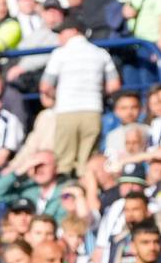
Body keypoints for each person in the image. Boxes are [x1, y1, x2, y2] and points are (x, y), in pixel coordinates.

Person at [39, 17, 120, 175]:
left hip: (66, 110)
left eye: (61, 33)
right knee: (87, 164)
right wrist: (97, 93)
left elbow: (45, 86)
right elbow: (114, 84)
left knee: (64, 163)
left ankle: (67, 196)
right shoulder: (100, 53)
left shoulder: (60, 54)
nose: (59, 37)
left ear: (73, 31)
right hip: (93, 110)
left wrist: (56, 97)